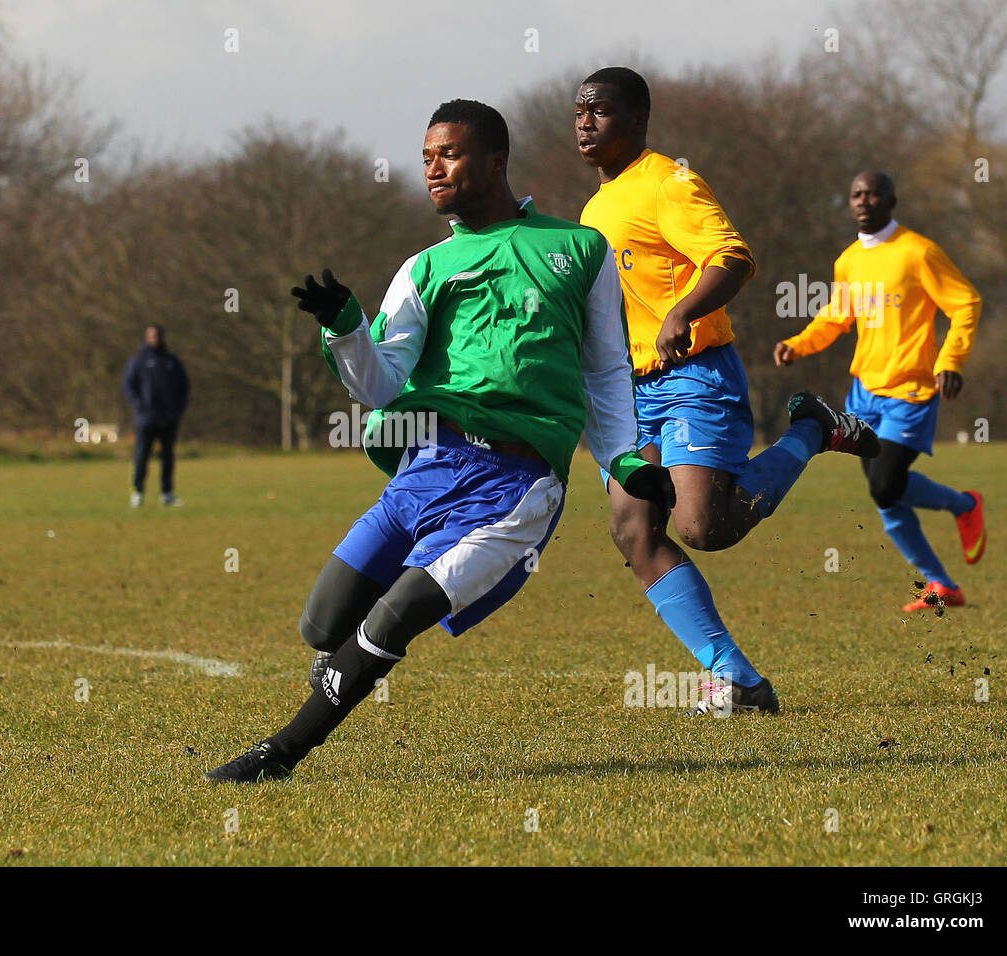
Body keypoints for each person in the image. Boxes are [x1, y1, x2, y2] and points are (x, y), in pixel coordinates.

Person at [205, 99, 675, 783]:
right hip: (426, 469)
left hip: (516, 487)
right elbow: (380, 387)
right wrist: (345, 328)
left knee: (394, 619)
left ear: (495, 161)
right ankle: (349, 668)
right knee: (322, 625)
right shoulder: (423, 268)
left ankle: (279, 754)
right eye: (426, 157)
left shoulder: (580, 249)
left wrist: (623, 460)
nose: (434, 169)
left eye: (448, 154)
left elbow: (605, 369)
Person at [574, 67, 882, 715]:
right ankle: (738, 680)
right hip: (632, 393)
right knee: (633, 531)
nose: (584, 121)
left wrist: (683, 312)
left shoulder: (669, 182)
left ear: (636, 120)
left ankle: (811, 430)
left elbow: (733, 255)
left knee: (701, 527)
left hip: (693, 376)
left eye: (600, 110)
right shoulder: (595, 209)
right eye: (578, 110)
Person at [775, 171, 984, 612]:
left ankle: (965, 505)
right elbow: (836, 316)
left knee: (886, 484)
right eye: (855, 194)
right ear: (848, 202)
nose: (863, 200)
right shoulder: (849, 260)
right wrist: (799, 344)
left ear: (891, 199)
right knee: (884, 491)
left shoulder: (918, 252)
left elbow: (965, 302)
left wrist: (950, 361)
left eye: (872, 193)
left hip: (910, 389)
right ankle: (941, 585)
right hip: (864, 392)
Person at [121, 324, 189, 507]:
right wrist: (139, 406)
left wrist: (177, 410)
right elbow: (128, 386)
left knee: (168, 457)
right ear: (146, 337)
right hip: (146, 419)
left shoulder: (171, 362)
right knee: (142, 455)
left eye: (157, 335)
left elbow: (184, 388)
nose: (155, 338)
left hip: (168, 418)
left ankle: (167, 493)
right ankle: (138, 492)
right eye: (152, 335)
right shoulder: (138, 361)